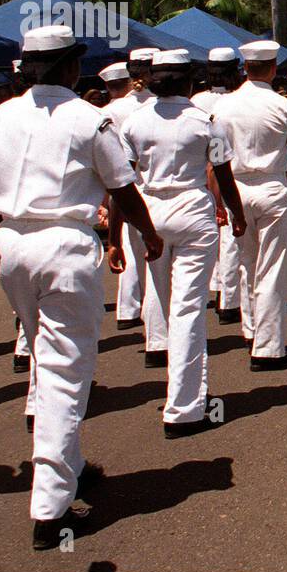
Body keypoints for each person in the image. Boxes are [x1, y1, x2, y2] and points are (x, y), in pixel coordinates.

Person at [0, 25, 163, 550]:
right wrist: (146, 232)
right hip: (64, 246)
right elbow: (122, 188)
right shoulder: (88, 118)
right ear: (71, 68)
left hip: (11, 245)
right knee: (64, 373)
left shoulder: (0, 115)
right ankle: (50, 507)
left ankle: (69, 461)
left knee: (43, 360)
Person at [117, 49, 246, 436]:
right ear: (189, 81)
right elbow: (223, 176)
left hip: (149, 210)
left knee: (162, 296)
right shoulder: (206, 122)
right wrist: (236, 214)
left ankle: (163, 359)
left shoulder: (134, 123)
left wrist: (114, 236)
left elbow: (121, 183)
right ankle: (184, 406)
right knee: (189, 307)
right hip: (192, 210)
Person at [214, 39, 287, 369]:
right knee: (272, 269)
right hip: (270, 188)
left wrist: (219, 199)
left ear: (245, 67)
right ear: (273, 68)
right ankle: (268, 347)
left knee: (245, 263)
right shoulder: (282, 106)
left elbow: (215, 160)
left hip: (235, 187)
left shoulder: (223, 107)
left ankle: (251, 330)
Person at [102, 51, 158, 331]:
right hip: (150, 185)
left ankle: (127, 308)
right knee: (154, 258)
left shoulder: (110, 111)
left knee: (128, 246)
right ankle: (151, 314)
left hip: (121, 185)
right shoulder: (160, 105)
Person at [191, 47, 245, 324]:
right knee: (231, 240)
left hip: (199, 178)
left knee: (209, 240)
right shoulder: (237, 100)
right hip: (229, 173)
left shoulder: (197, 101)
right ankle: (229, 300)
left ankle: (216, 289)